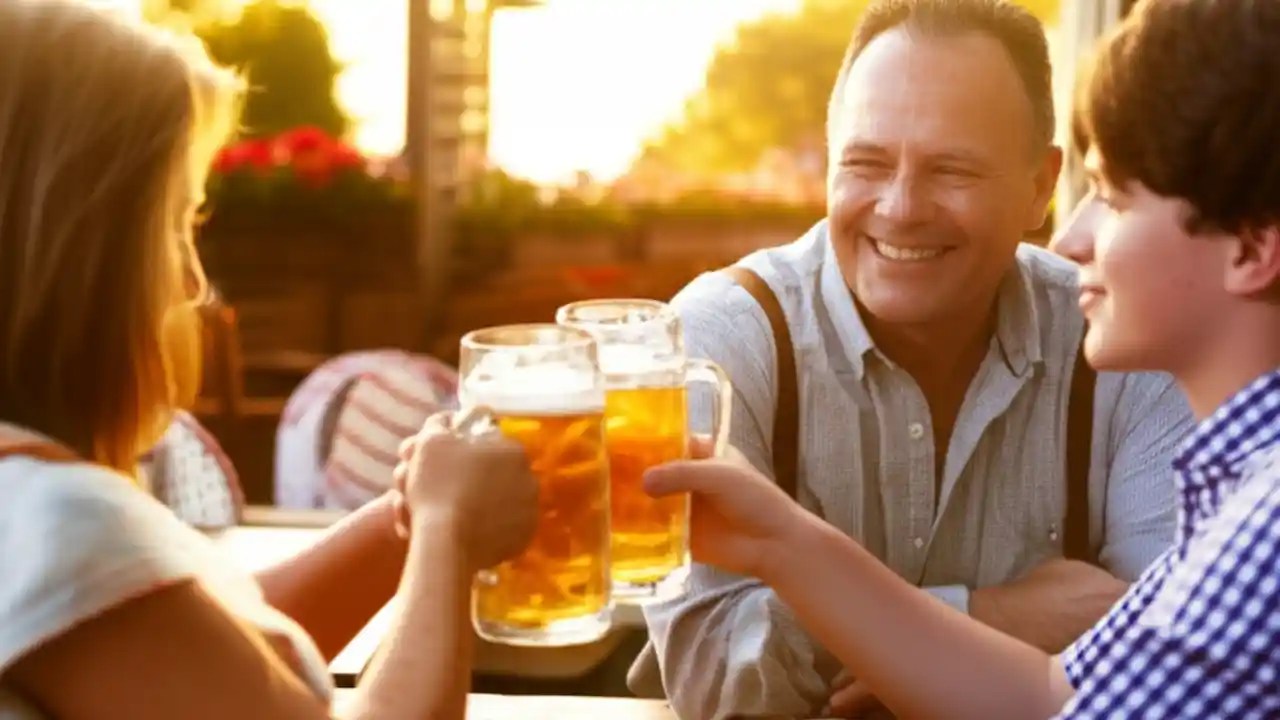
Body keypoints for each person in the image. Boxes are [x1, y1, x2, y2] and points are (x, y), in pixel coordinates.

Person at [645, 0, 1280, 716]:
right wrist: (992, 611)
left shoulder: (1253, 500)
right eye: (866, 162)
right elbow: (1050, 694)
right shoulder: (723, 333)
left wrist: (801, 575)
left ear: (1039, 184)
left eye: (1113, 198)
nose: (1073, 239)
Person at [0, 2, 537, 718]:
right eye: (175, 222)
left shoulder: (31, 510)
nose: (192, 280)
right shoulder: (57, 522)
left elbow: (217, 658)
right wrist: (448, 536)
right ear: (81, 250)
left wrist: (407, 516)